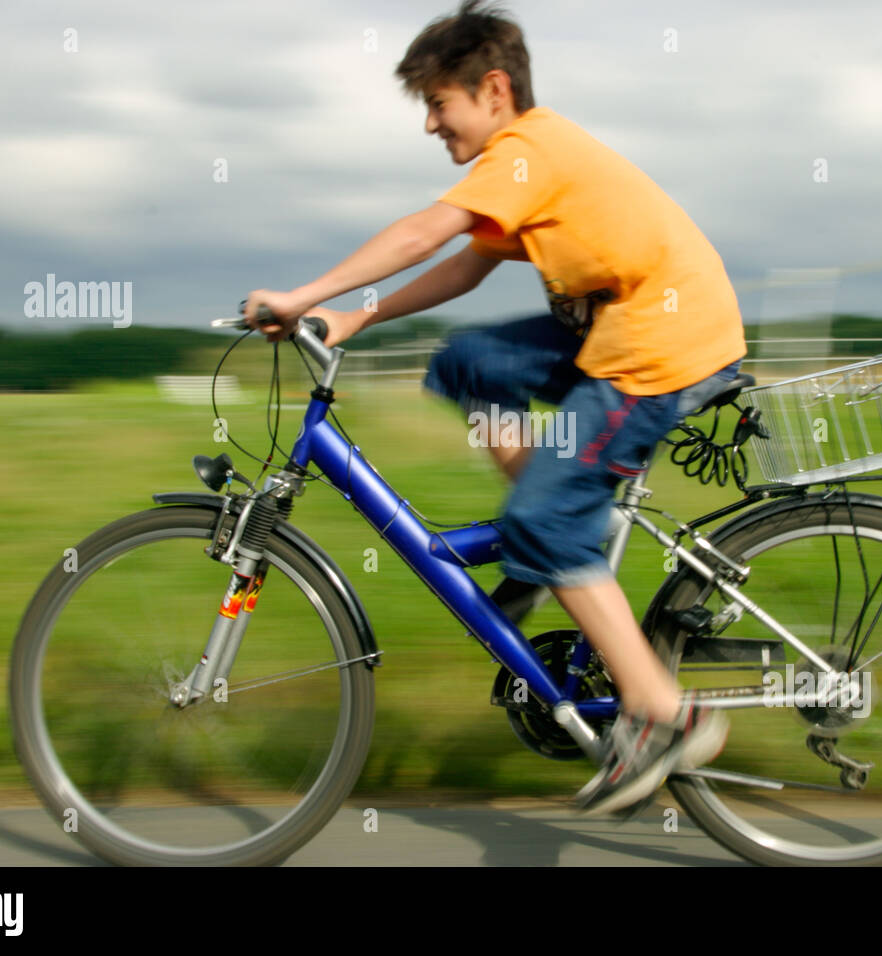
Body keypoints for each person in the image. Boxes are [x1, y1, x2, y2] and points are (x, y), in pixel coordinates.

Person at [244, 0, 747, 816]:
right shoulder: (525, 163)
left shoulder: (527, 151)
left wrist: (301, 294)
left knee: (547, 522)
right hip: (612, 330)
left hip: (658, 348)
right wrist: (355, 315)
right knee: (469, 363)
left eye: (439, 104)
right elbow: (464, 267)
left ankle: (665, 714)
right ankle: (549, 532)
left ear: (493, 89)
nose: (431, 126)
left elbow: (424, 234)